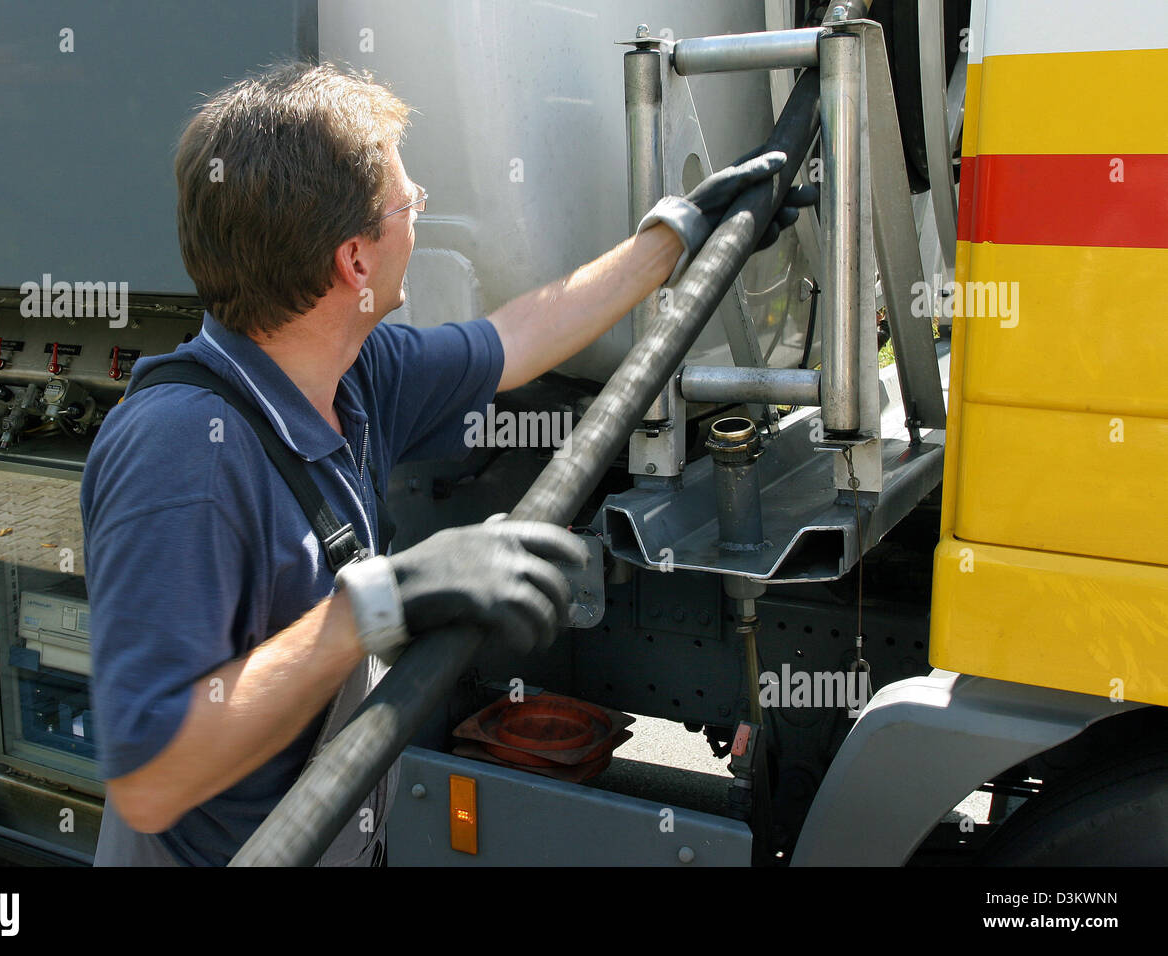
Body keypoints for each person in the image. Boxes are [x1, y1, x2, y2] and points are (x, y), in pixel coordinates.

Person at [81, 61, 812, 866]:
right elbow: (148, 780)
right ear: (354, 263)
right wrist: (375, 605)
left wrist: (674, 239)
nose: (420, 209)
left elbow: (516, 339)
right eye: (408, 202)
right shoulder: (184, 453)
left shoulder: (352, 373)